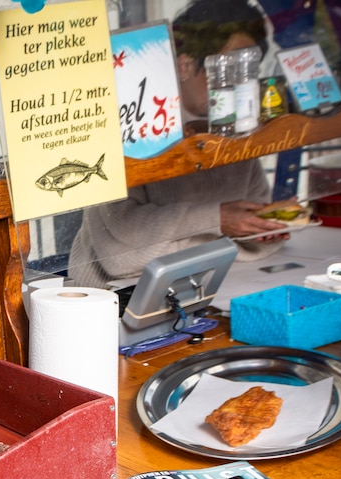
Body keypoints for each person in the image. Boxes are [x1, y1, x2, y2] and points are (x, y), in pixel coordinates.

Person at [67, 0, 296, 288]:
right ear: (184, 64)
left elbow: (259, 244)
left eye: (250, 68)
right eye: (231, 66)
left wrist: (260, 227)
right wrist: (219, 222)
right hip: (114, 302)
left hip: (212, 289)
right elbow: (119, 257)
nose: (242, 83)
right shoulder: (132, 127)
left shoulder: (236, 130)